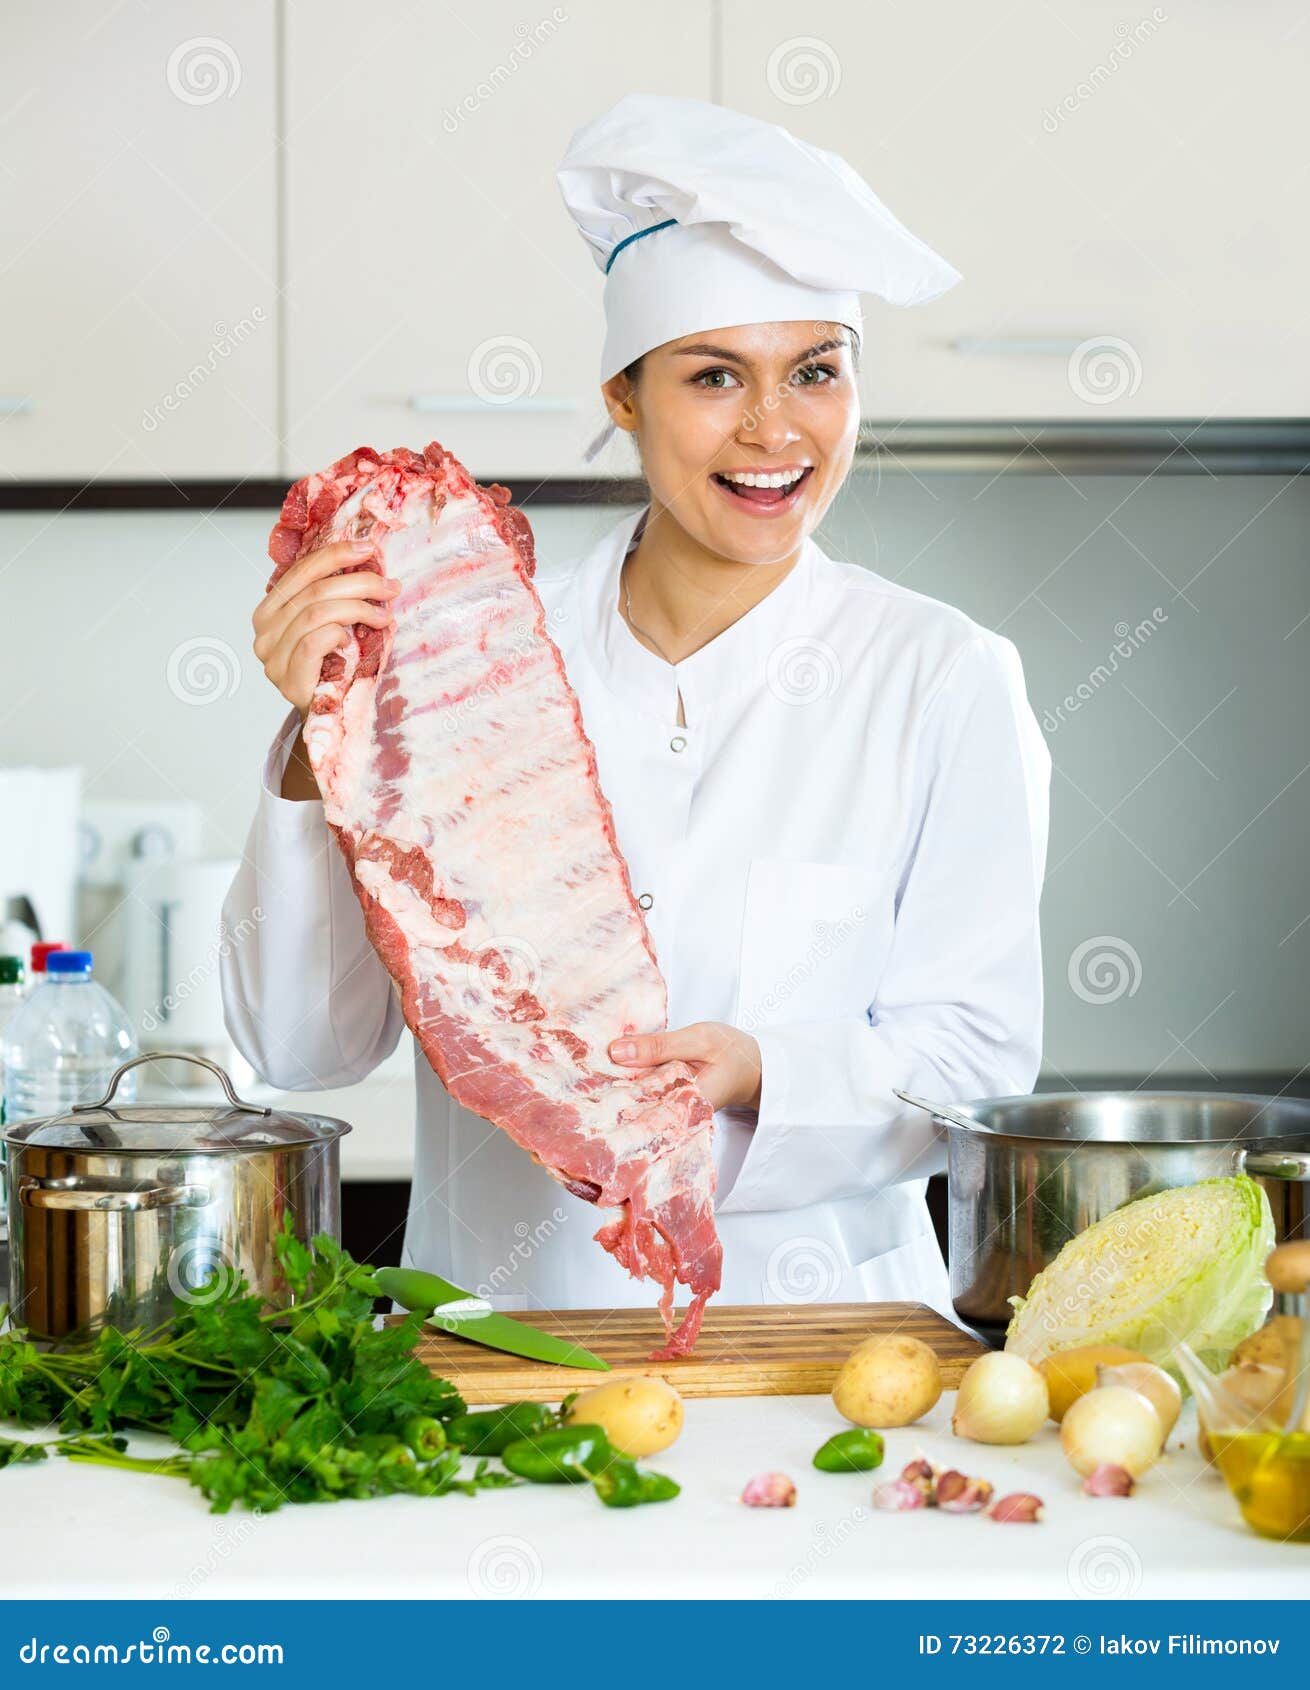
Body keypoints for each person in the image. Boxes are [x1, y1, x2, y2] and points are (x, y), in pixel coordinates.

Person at [221, 95, 1049, 1320]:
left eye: (815, 371)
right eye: (713, 376)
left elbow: (972, 1067)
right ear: (622, 395)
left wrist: (767, 1072)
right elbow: (303, 1052)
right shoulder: (466, 655)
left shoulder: (939, 674)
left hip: (819, 1358)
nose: (774, 429)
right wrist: (313, 747)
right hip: (499, 1358)